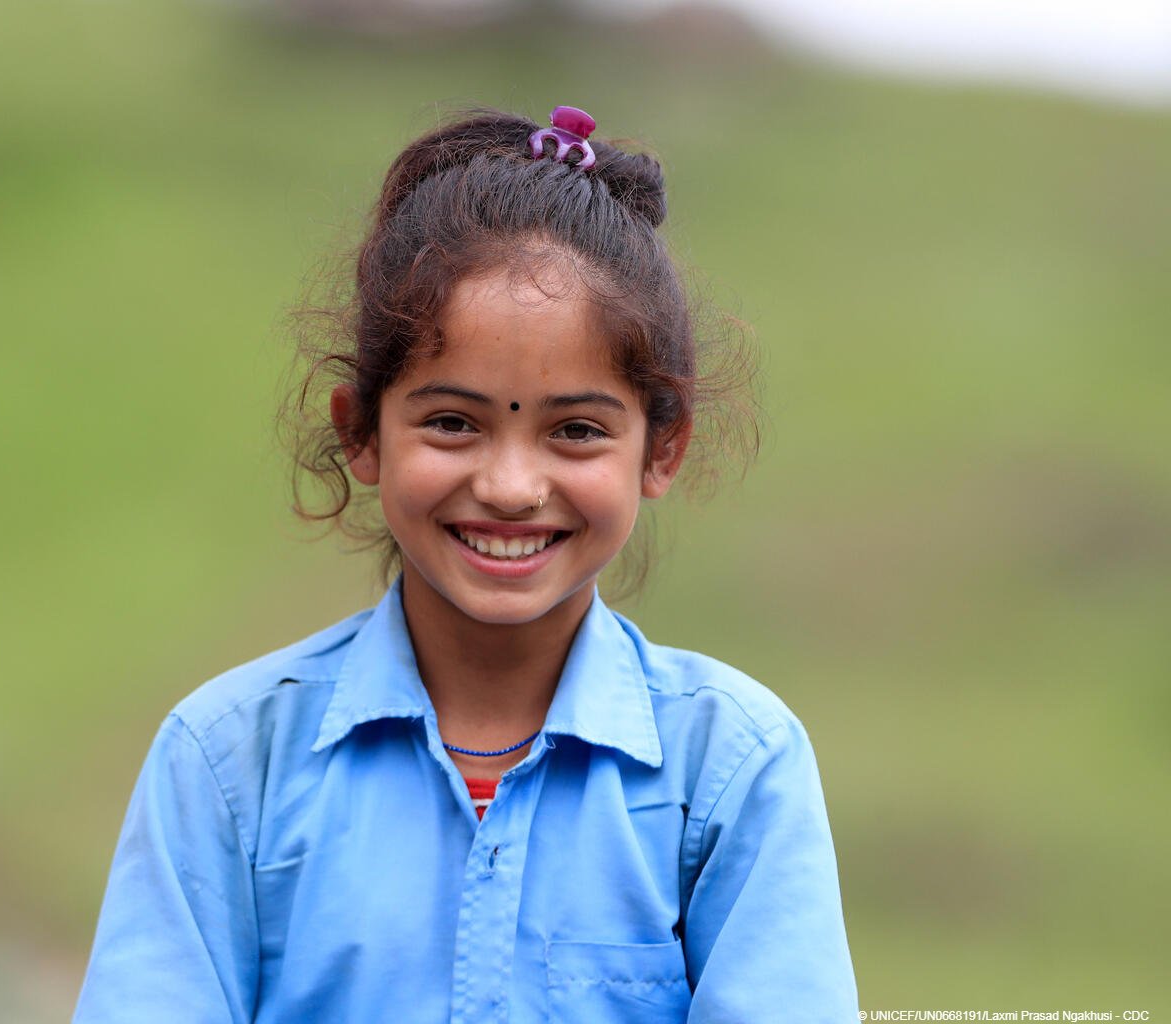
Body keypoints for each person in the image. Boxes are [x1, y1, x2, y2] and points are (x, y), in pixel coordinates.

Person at [73, 105, 858, 1023]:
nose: (511, 486)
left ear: (662, 449)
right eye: (452, 423)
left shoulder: (728, 769)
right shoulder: (228, 762)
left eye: (577, 430)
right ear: (362, 433)